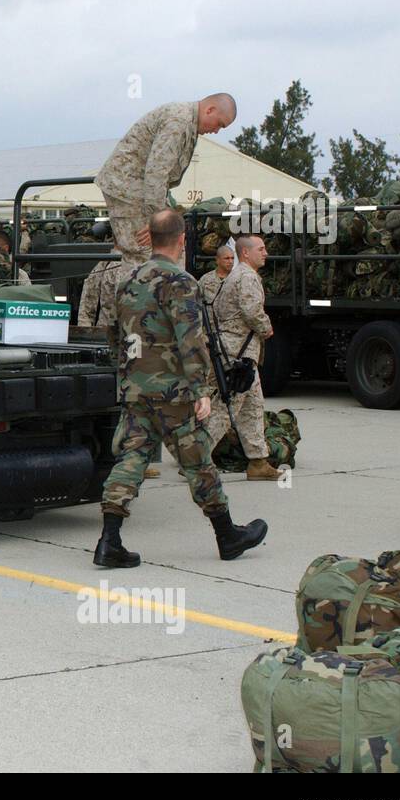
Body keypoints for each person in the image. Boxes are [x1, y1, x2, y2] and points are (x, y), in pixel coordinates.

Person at [94, 209, 268, 568]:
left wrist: (131, 374)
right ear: (182, 239)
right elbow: (190, 341)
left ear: (151, 238)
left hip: (135, 388)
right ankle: (227, 535)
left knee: (131, 458)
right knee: (198, 461)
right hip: (173, 392)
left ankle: (109, 541)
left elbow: (113, 334)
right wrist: (201, 389)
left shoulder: (128, 280)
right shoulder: (182, 281)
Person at [89, 94, 237, 328]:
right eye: (219, 124)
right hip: (129, 190)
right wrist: (158, 221)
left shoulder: (186, 121)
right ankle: (136, 326)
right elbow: (156, 173)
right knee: (144, 251)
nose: (217, 131)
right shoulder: (178, 122)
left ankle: (153, 321)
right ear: (209, 110)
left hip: (137, 191)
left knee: (168, 251)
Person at [202, 234, 278, 481]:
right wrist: (266, 327)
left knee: (253, 406)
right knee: (226, 407)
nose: (265, 253)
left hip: (238, 351)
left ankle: (258, 461)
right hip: (238, 352)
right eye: (261, 249)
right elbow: (251, 311)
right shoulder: (246, 276)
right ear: (245, 253)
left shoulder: (235, 275)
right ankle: (196, 459)